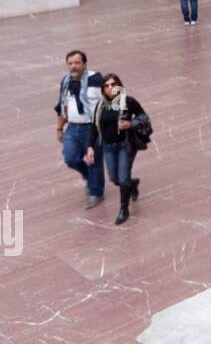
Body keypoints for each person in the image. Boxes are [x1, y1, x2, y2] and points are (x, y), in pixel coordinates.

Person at [86, 73, 146, 226]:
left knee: (123, 177)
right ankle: (132, 185)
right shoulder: (100, 106)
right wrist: (90, 147)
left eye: (113, 84)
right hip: (107, 146)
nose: (110, 88)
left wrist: (130, 124)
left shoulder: (128, 102)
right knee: (115, 178)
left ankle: (123, 209)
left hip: (125, 146)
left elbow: (144, 117)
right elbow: (94, 127)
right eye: (106, 86)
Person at [54, 50, 105, 208]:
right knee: (70, 158)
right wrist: (59, 128)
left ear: (84, 63)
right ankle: (88, 176)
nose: (73, 66)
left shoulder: (96, 80)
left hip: (92, 127)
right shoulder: (66, 82)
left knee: (94, 160)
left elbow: (108, 101)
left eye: (77, 63)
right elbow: (62, 106)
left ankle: (96, 193)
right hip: (73, 127)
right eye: (70, 63)